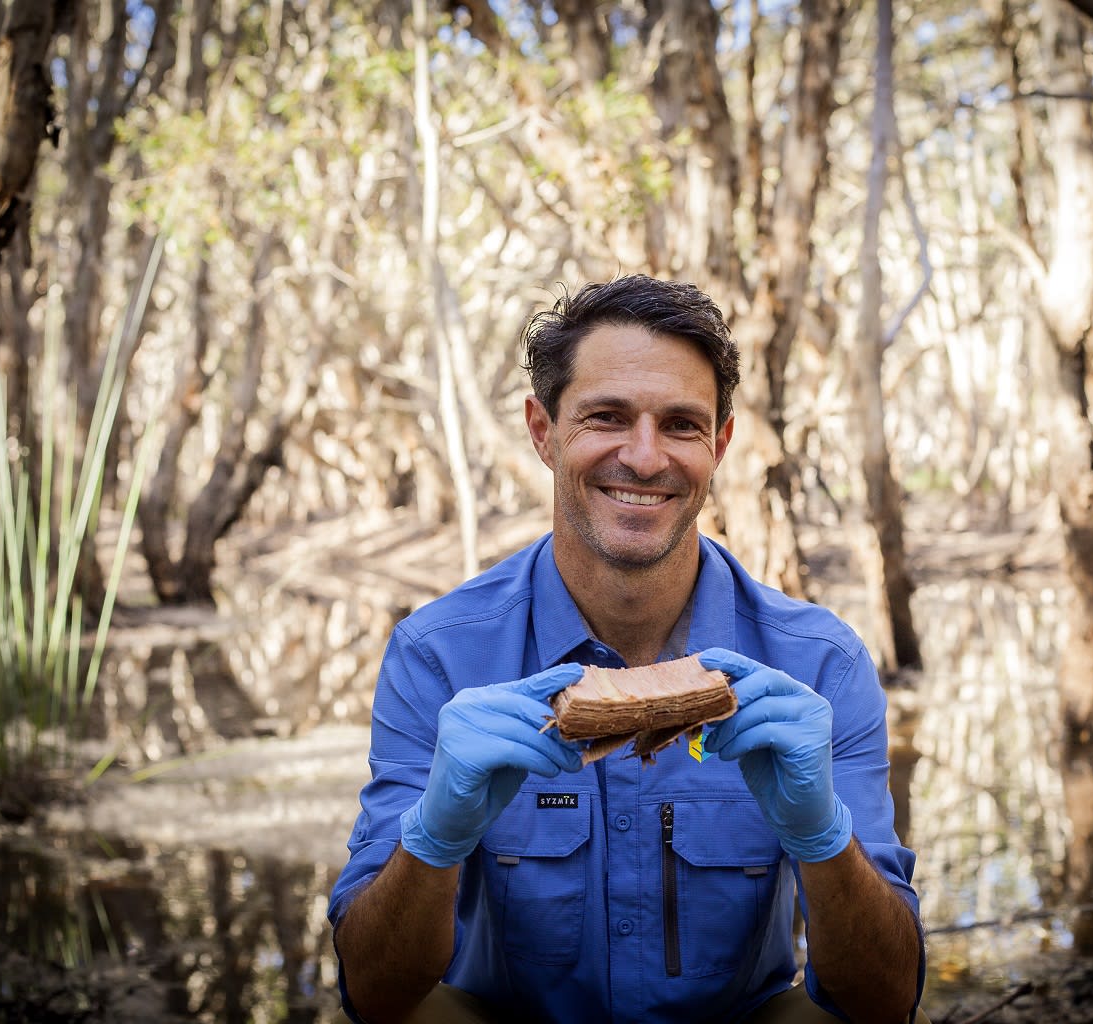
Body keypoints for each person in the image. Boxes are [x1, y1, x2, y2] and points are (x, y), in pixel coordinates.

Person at [328, 275, 926, 1023]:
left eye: (681, 424)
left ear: (722, 442)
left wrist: (823, 836)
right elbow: (372, 995)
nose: (644, 459)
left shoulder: (819, 663)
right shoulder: (439, 655)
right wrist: (435, 838)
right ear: (543, 431)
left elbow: (889, 1001)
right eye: (607, 417)